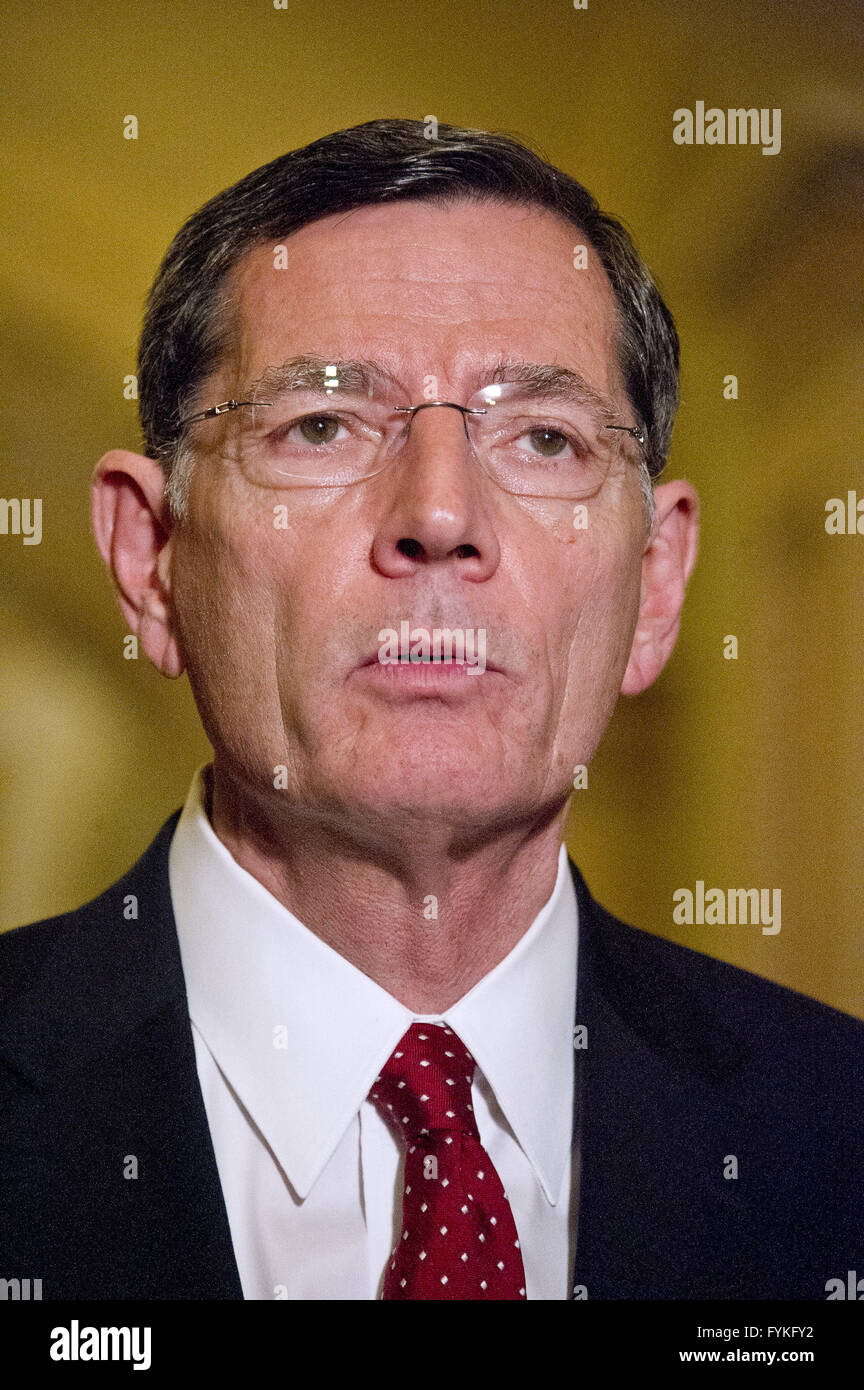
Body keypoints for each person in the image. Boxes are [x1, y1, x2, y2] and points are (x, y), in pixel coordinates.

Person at [0, 119, 859, 1302]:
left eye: (543, 438)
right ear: (151, 558)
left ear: (657, 585)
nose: (443, 514)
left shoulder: (838, 1133)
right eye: (322, 426)